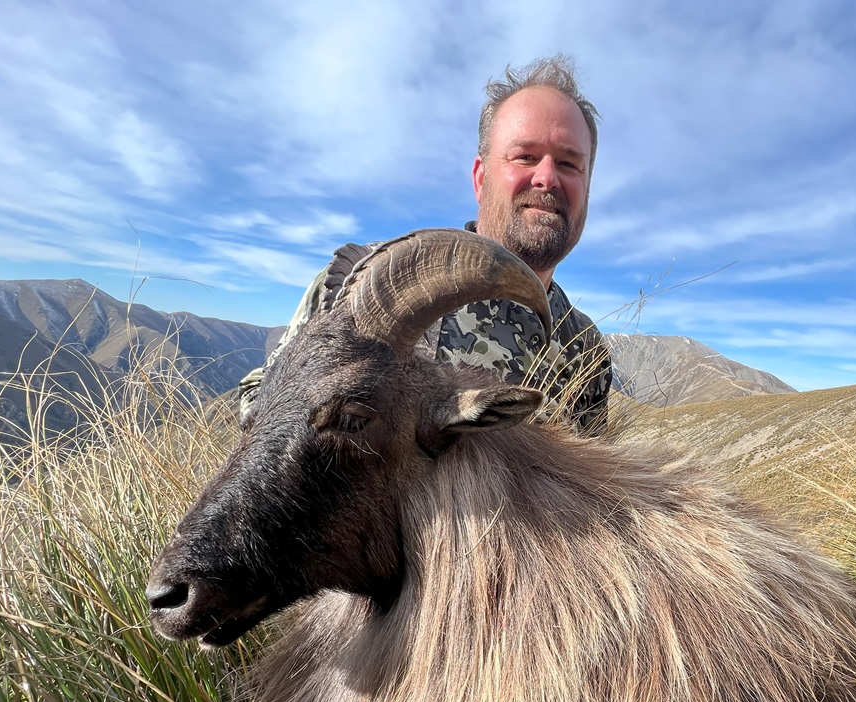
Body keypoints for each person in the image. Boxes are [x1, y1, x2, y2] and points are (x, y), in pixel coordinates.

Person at [238, 55, 611, 435]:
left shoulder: (587, 349)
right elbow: (262, 396)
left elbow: (592, 482)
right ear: (481, 179)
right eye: (525, 157)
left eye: (569, 164)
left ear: (587, 187)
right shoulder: (366, 282)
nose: (547, 177)